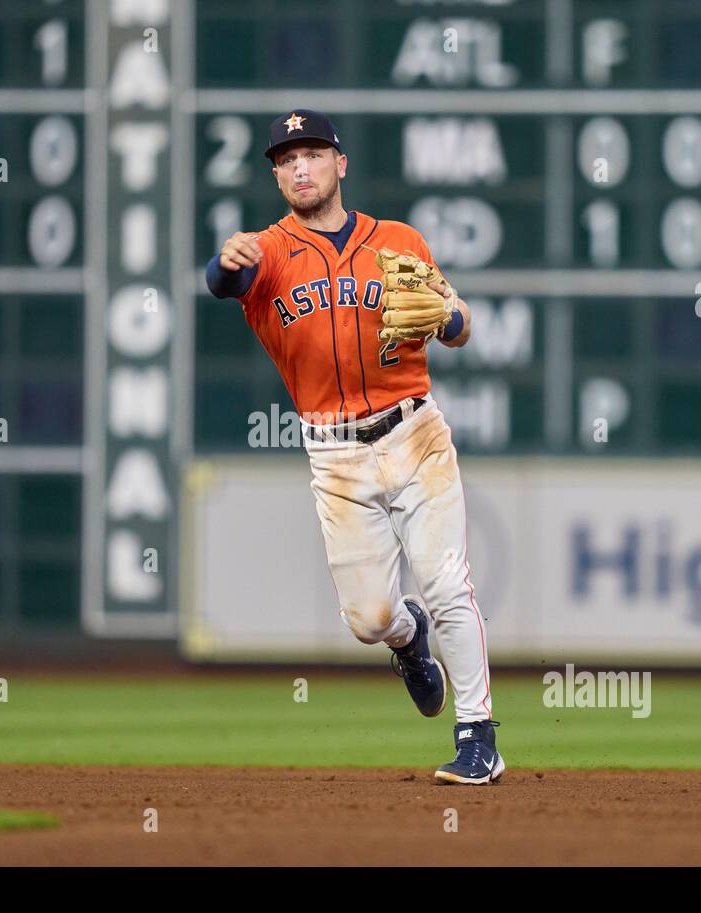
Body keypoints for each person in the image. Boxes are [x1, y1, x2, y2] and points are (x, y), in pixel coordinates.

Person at [205, 109, 501, 784]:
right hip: (335, 453)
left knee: (448, 580)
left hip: (414, 432)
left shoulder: (397, 240)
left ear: (341, 164)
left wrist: (449, 314)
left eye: (311, 153)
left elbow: (458, 324)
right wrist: (223, 262)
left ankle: (478, 734)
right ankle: (407, 638)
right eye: (285, 160)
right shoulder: (267, 252)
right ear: (277, 177)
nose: (298, 167)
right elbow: (222, 283)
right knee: (368, 620)